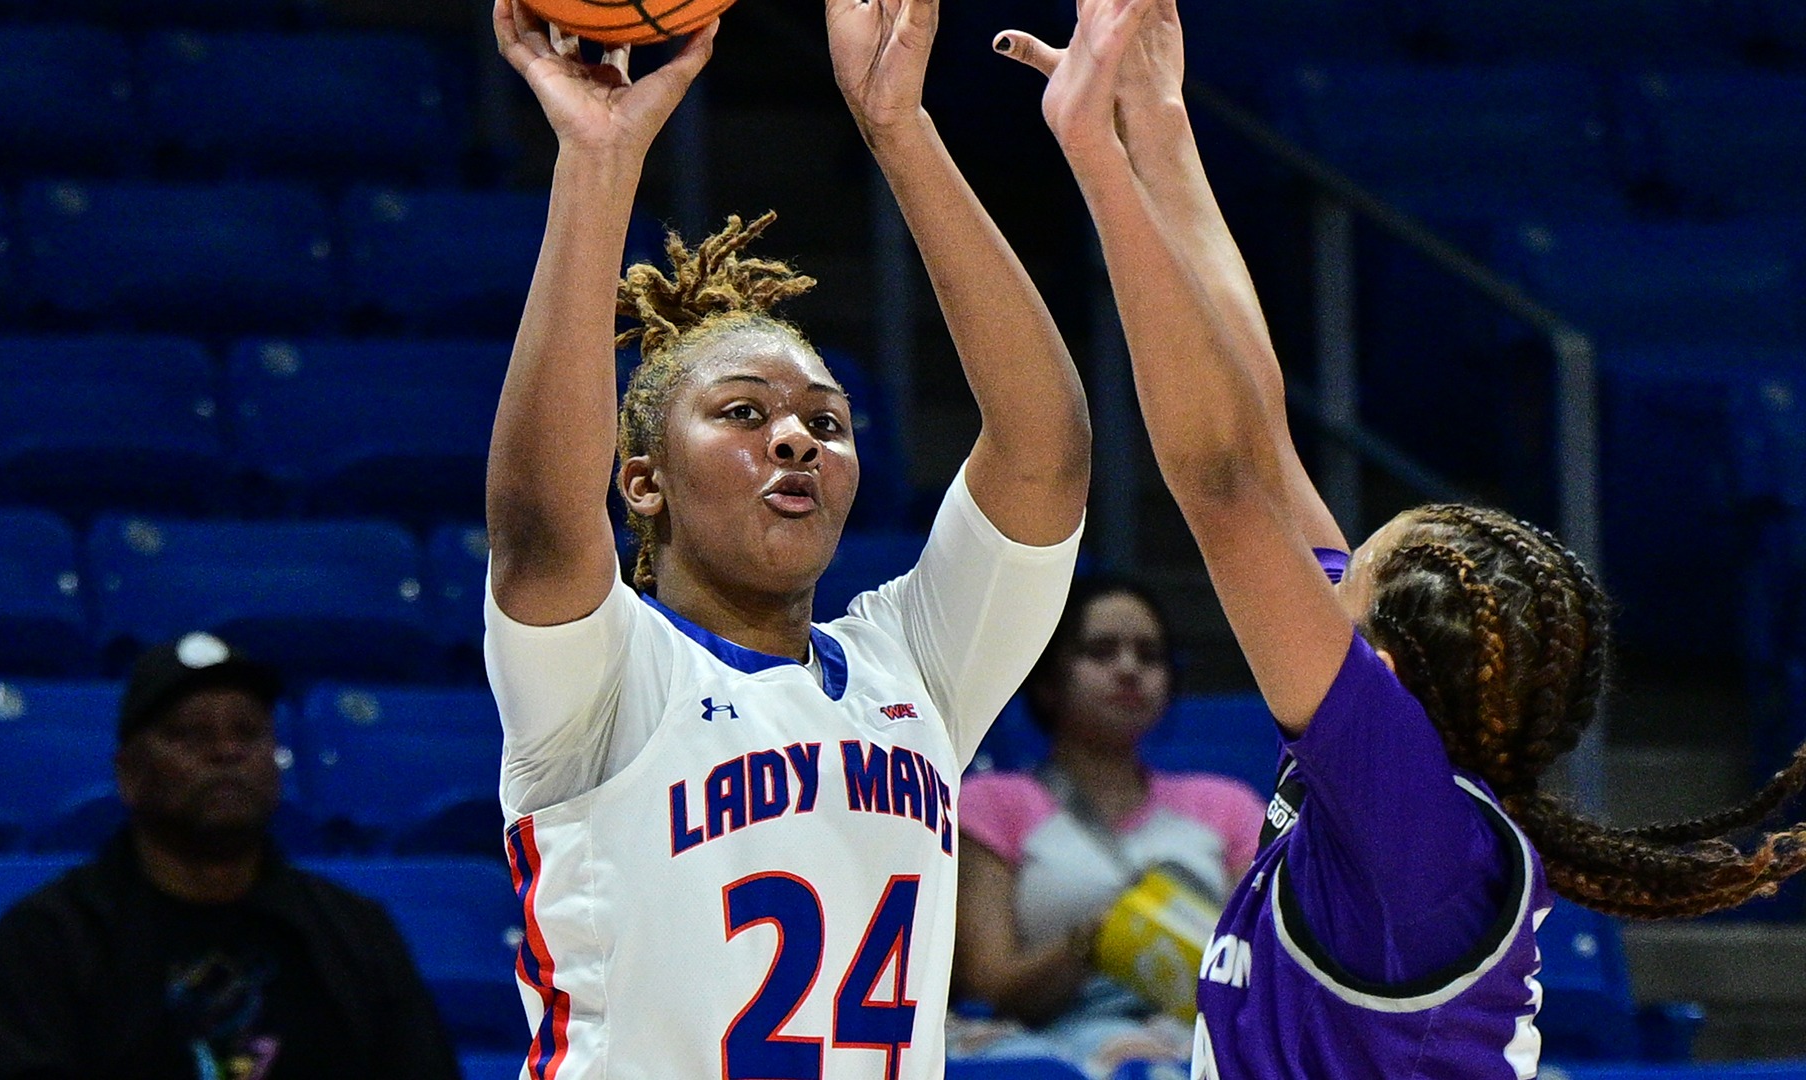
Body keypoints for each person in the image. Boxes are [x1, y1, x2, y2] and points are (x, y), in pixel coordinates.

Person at [994, 0, 1806, 1076]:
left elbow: (1226, 487)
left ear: (1377, 664)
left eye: (1350, 570)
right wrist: (1162, 130)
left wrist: (1094, 156)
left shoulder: (1413, 829)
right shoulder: (1409, 787)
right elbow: (1255, 424)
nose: (1320, 566)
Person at [481, 0, 1091, 1072]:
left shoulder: (914, 670)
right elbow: (538, 530)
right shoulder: (609, 675)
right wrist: (598, 161)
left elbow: (1045, 448)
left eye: (826, 421)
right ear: (643, 483)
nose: (798, 441)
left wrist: (900, 129)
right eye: (744, 414)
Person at [0, 633, 461, 1080]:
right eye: (191, 735)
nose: (226, 752)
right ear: (129, 773)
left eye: (248, 733)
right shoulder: (49, 937)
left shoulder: (353, 933)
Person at [951, 578, 1264, 1077]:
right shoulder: (993, 803)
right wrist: (1093, 941)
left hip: (1198, 1042)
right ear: (1049, 679)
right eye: (1100, 652)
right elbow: (987, 984)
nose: (1129, 669)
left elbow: (1262, 973)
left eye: (1149, 655)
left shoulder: (1228, 805)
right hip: (1053, 1046)